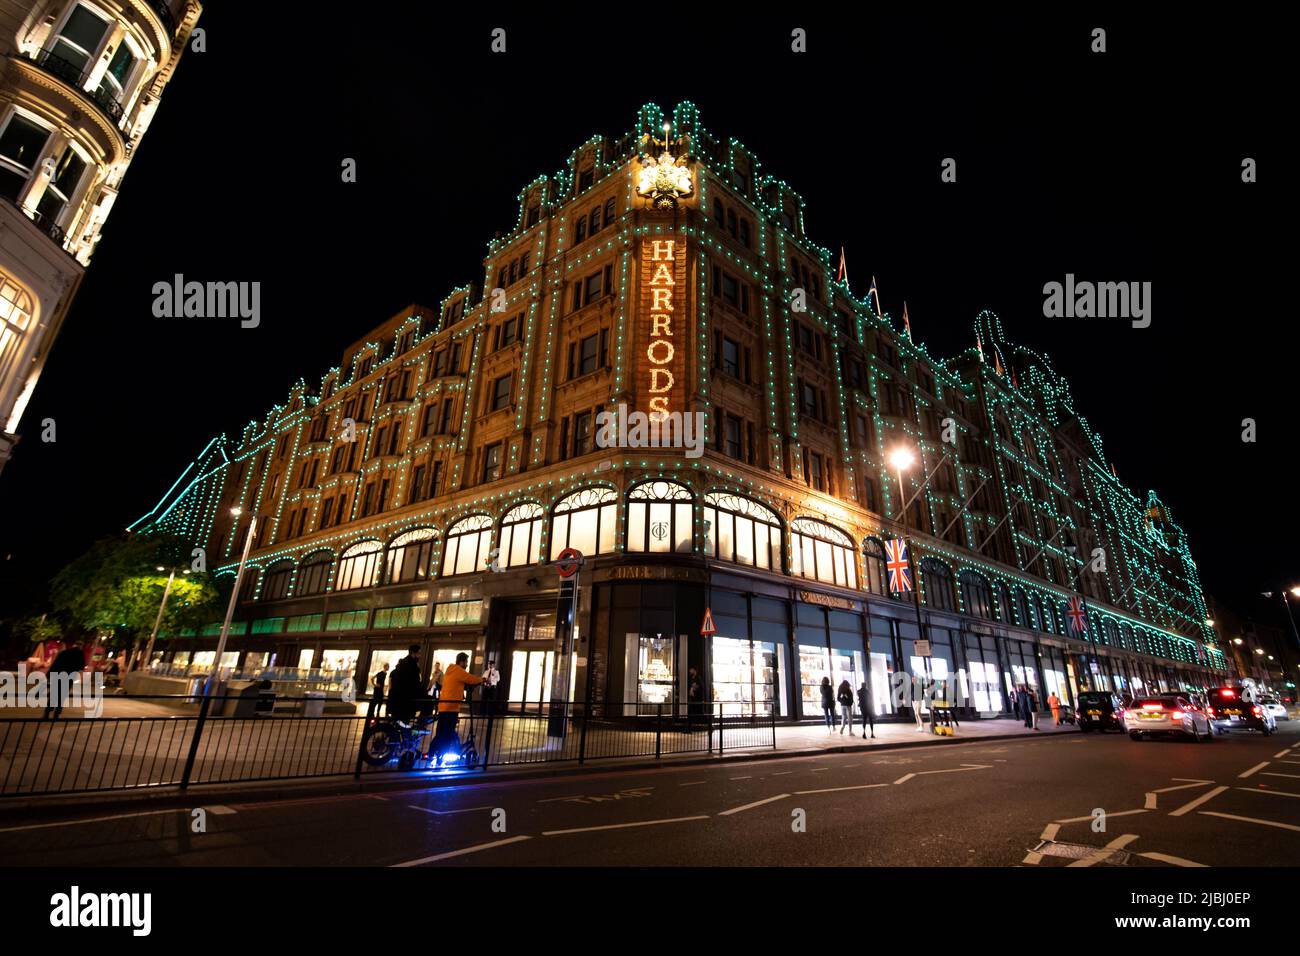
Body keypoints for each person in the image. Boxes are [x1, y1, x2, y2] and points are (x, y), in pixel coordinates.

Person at [431, 652, 484, 767]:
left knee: (441, 732)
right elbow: (471, 679)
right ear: (462, 662)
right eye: (466, 662)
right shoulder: (459, 671)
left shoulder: (451, 670)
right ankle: (441, 756)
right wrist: (483, 680)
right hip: (451, 707)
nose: (467, 664)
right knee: (447, 733)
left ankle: (432, 753)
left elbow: (460, 683)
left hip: (444, 706)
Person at [44, 641, 85, 720]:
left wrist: (49, 674)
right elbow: (81, 666)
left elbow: (56, 664)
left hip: (58, 675)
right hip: (69, 677)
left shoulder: (64, 653)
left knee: (54, 693)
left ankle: (47, 712)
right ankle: (57, 713)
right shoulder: (80, 654)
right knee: (62, 695)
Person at [385, 646, 423, 724]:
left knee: (398, 723)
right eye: (419, 653)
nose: (420, 655)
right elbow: (414, 682)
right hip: (406, 700)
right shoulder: (411, 665)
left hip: (399, 699)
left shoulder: (404, 663)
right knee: (404, 722)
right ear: (413, 653)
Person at [687, 666, 704, 731]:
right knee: (690, 712)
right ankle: (688, 728)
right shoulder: (691, 678)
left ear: (694, 670)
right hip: (692, 698)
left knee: (701, 713)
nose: (690, 671)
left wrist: (695, 689)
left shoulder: (698, 678)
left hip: (697, 699)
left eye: (691, 669)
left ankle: (710, 726)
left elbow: (701, 688)